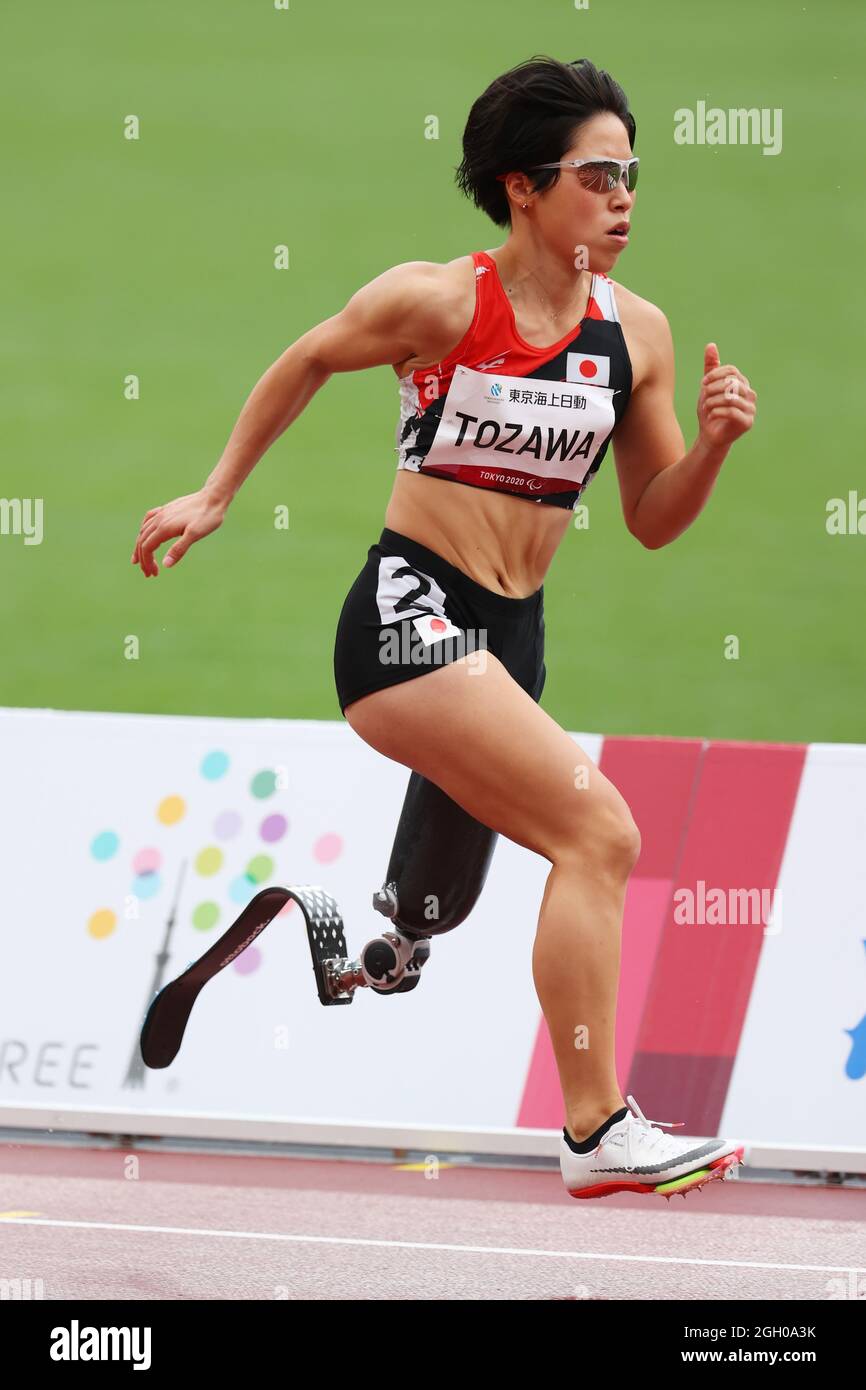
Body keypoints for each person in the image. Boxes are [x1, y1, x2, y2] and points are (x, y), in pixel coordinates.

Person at [130, 56, 755, 1199]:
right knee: (599, 834)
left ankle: (373, 948)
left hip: (512, 638)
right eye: (596, 176)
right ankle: (593, 1128)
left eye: (631, 175)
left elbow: (652, 520)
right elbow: (309, 356)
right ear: (522, 187)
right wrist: (215, 492)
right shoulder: (439, 301)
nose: (621, 198)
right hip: (406, 613)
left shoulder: (638, 336)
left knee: (436, 908)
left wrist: (709, 448)